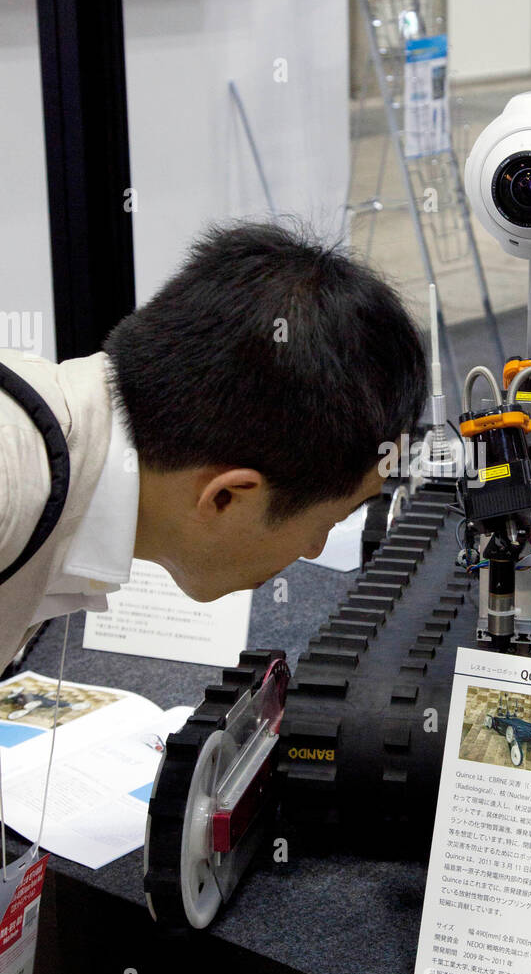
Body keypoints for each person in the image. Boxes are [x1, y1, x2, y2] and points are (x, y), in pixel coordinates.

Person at [0, 220, 428, 673]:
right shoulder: (11, 493)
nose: (315, 549)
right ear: (225, 496)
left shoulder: (51, 452)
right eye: (330, 520)